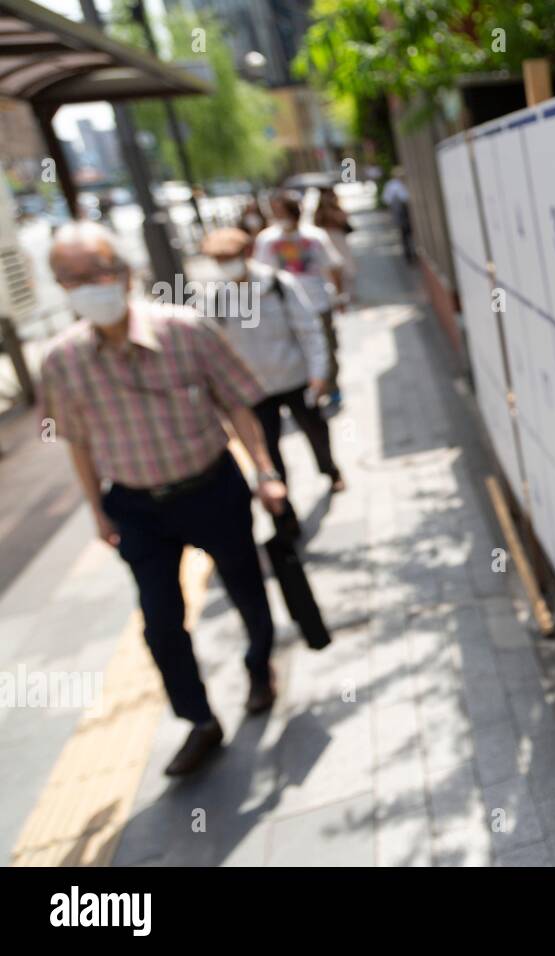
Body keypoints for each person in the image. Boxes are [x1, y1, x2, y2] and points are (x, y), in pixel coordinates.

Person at [38, 221, 288, 777]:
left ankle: (258, 667)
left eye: (99, 271)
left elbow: (239, 404)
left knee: (247, 587)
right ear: (60, 286)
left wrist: (266, 472)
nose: (90, 285)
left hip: (211, 488)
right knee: (159, 621)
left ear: (123, 272)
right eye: (74, 278)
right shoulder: (61, 361)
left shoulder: (186, 329)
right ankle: (199, 719)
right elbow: (75, 441)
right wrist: (96, 510)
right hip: (136, 507)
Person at [201, 227, 345, 506]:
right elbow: (215, 350)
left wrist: (318, 373)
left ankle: (331, 471)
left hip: (295, 377)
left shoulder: (278, 284)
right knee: (268, 449)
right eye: (218, 260)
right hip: (254, 389)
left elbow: (309, 330)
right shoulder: (217, 298)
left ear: (246, 253)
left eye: (228, 257)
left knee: (315, 431)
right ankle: (285, 510)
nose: (225, 265)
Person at [253, 191, 344, 406]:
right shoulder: (267, 240)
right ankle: (305, 391)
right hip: (283, 308)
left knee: (325, 347)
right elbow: (259, 273)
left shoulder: (314, 237)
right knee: (294, 349)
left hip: (319, 302)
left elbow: (333, 266)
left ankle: (330, 387)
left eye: (284, 212)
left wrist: (339, 296)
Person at [313, 187, 355, 304]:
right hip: (328, 239)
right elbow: (316, 222)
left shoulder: (337, 208)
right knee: (331, 266)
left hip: (339, 239)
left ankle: (348, 293)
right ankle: (336, 292)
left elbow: (343, 219)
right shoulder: (319, 211)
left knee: (346, 265)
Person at [382, 168, 413, 263]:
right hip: (402, 213)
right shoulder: (395, 186)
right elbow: (404, 198)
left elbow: (386, 199)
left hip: (400, 213)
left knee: (405, 234)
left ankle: (409, 253)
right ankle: (409, 254)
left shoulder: (393, 185)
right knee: (406, 233)